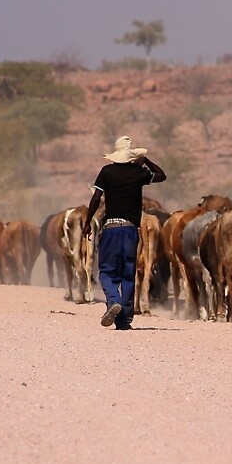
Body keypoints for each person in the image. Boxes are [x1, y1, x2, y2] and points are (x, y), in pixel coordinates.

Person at [84, 136, 166, 330]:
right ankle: (124, 321)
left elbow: (96, 198)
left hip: (111, 228)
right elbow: (161, 175)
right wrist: (145, 161)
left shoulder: (107, 172)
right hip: (130, 230)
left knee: (106, 272)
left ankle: (113, 301)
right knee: (128, 274)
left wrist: (87, 222)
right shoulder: (139, 173)